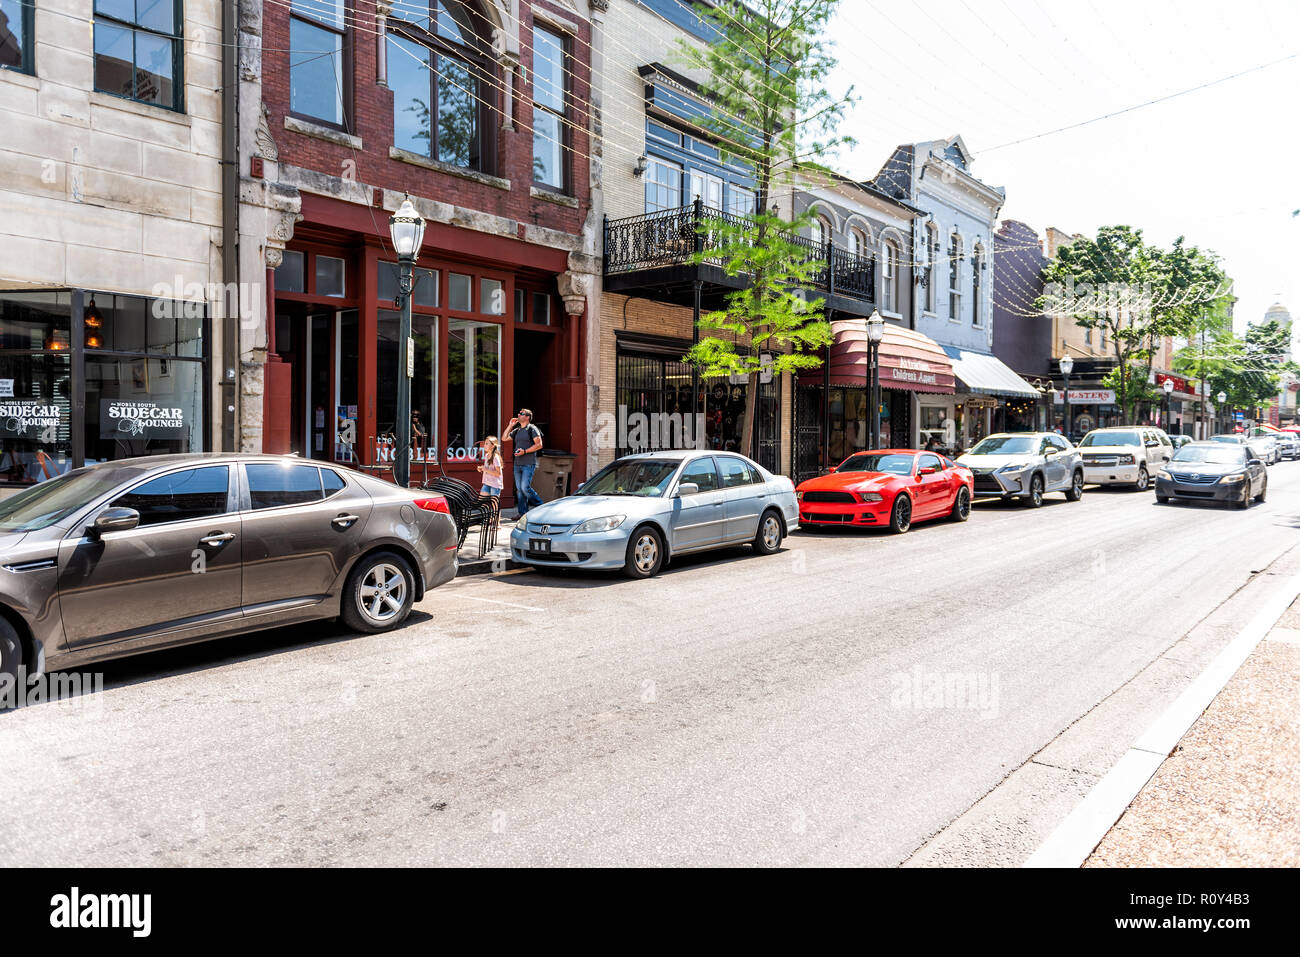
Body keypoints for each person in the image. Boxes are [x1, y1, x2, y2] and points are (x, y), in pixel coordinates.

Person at [505, 408, 544, 516]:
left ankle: (541, 505)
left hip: (528, 463)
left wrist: (525, 451)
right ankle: (522, 513)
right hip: (517, 464)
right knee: (519, 490)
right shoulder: (517, 430)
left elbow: (539, 445)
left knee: (524, 488)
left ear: (527, 417)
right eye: (519, 413)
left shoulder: (532, 428)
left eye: (521, 414)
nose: (518, 414)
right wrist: (510, 425)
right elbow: (504, 438)